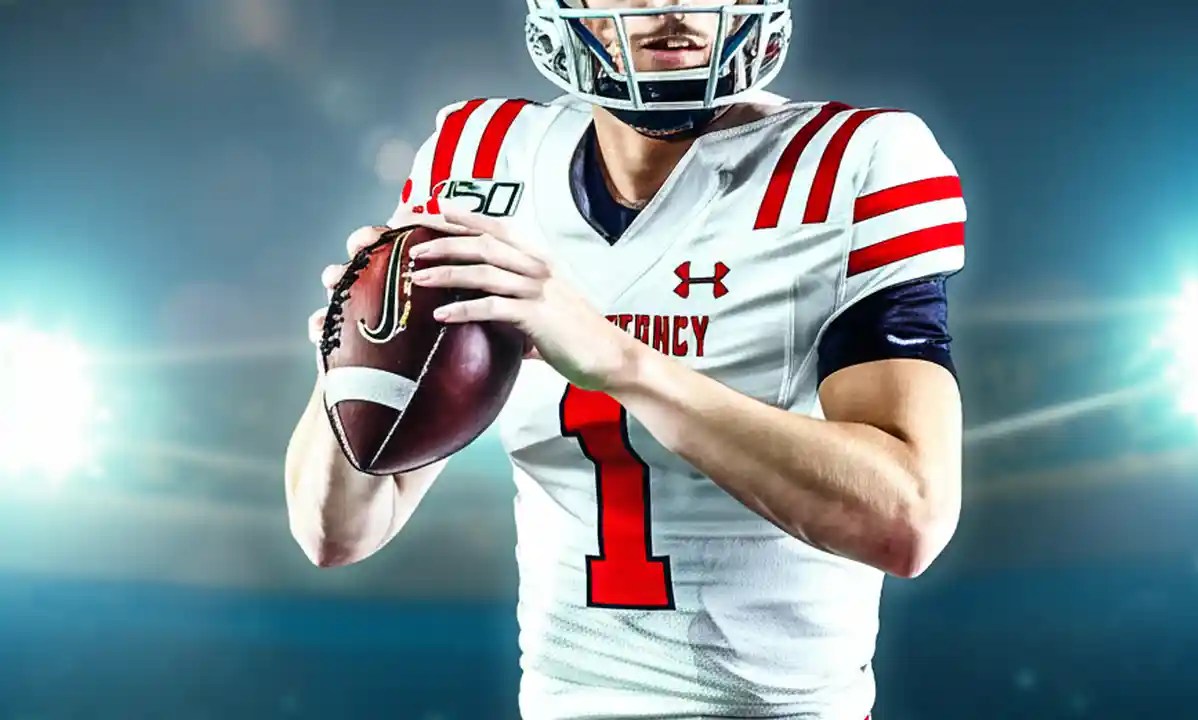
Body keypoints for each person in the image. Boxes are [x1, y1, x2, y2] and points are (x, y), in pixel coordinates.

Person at [285, 1, 967, 718]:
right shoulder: (481, 158)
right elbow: (336, 532)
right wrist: (357, 369)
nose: (675, 7)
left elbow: (908, 519)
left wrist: (620, 362)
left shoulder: (851, 162)